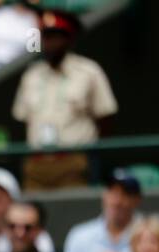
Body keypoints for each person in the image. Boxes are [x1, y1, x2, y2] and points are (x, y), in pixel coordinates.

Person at [12, 9, 116, 190]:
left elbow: (105, 116)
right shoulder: (31, 75)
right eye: (46, 37)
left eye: (56, 37)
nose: (50, 43)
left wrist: (89, 155)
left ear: (69, 40)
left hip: (73, 160)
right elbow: (22, 119)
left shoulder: (89, 71)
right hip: (37, 161)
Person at [61, 170, 142, 252]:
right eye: (112, 192)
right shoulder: (80, 235)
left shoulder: (150, 235)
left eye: (125, 194)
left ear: (137, 200)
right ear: (104, 195)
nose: (117, 201)